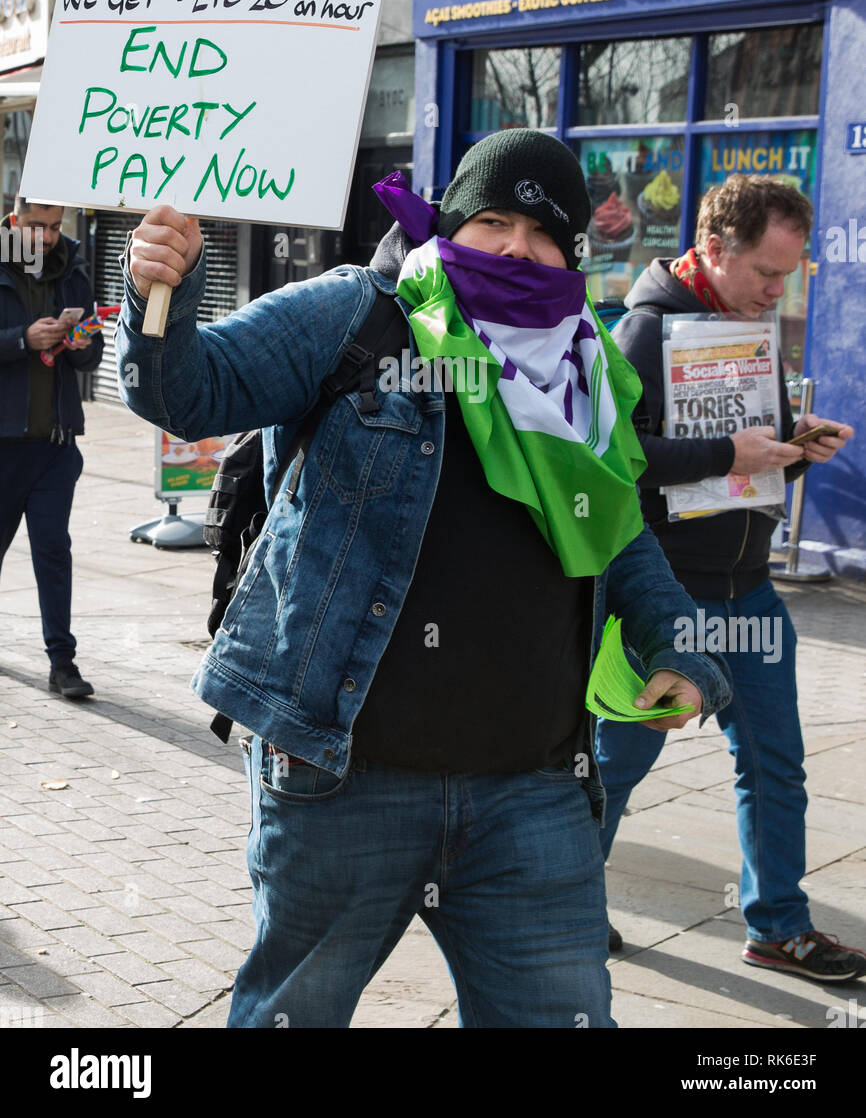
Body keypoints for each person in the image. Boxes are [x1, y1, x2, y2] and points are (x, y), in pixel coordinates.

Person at [116, 129, 730, 1029]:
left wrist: (679, 644)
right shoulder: (356, 315)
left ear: (571, 254)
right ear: (448, 224)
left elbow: (620, 532)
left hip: (535, 790)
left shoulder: (585, 368)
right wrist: (150, 294)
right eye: (492, 220)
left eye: (544, 231)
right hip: (343, 779)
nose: (517, 247)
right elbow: (187, 394)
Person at [595, 173, 864, 983]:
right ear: (712, 250)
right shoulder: (644, 333)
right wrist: (727, 454)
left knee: (776, 763)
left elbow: (746, 442)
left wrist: (794, 440)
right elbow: (614, 461)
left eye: (789, 276)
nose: (777, 292)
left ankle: (779, 927)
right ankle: (559, 903)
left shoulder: (739, 324)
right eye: (766, 275)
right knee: (614, 766)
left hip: (748, 589)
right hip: (667, 600)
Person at [0, 195, 103, 697]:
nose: (45, 238)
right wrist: (23, 339)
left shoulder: (73, 269)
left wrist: (82, 344)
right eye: (36, 226)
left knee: (53, 552)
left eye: (53, 227)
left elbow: (91, 357)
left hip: (57, 446)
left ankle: (63, 664)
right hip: (2, 445)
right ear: (14, 220)